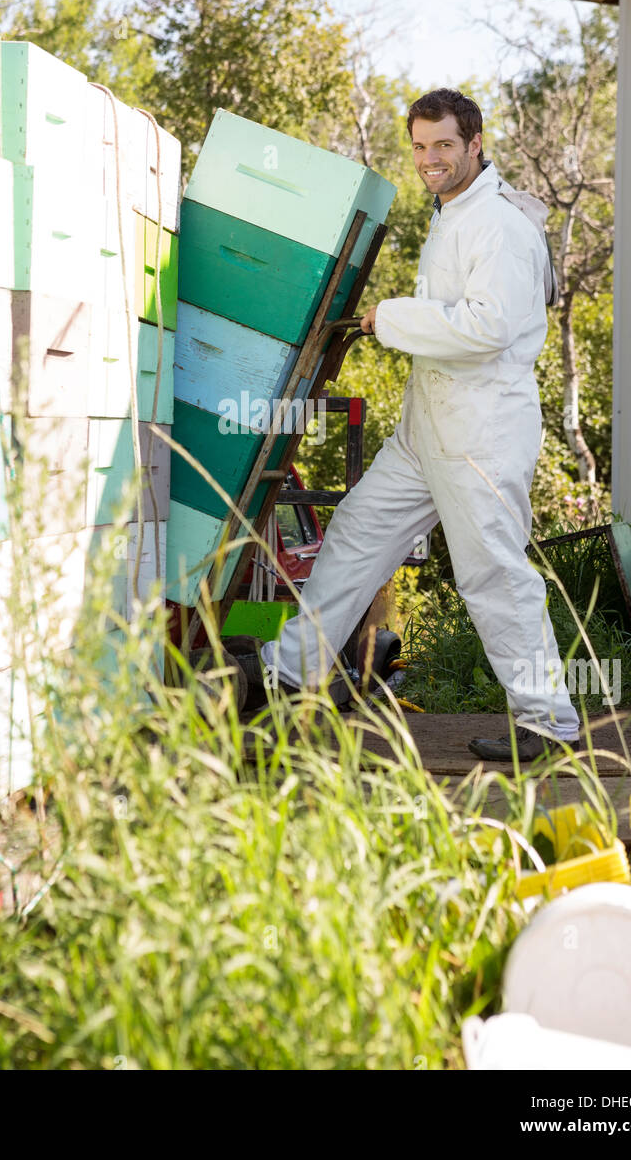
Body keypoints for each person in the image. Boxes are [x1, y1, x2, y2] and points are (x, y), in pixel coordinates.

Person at [236, 88, 580, 762]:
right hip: (429, 429)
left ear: (475, 143)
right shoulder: (452, 213)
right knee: (357, 535)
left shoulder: (501, 226)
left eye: (443, 145)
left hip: (479, 432)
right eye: (421, 146)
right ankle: (288, 675)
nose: (430, 158)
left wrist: (386, 318)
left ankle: (548, 722)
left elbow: (486, 328)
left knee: (492, 573)